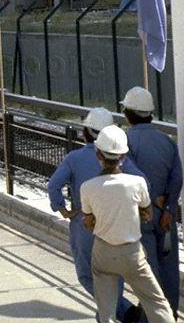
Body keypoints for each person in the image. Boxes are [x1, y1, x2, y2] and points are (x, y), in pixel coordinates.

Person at [48, 108, 145, 322]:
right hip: (114, 228)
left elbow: (54, 185)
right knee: (113, 277)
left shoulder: (74, 158)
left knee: (86, 276)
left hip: (83, 226)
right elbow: (142, 181)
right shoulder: (121, 161)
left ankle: (121, 312)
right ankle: (122, 311)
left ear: (85, 132)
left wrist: (62, 208)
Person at [81, 125, 175, 323]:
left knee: (106, 309)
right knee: (156, 302)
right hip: (132, 254)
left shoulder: (87, 188)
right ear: (124, 156)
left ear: (98, 154)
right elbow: (147, 213)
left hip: (103, 253)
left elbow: (89, 223)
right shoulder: (137, 182)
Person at [120, 87, 182, 317]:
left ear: (128, 113)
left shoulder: (125, 141)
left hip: (141, 215)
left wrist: (153, 200)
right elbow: (177, 177)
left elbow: (134, 176)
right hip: (166, 217)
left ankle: (152, 317)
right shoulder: (166, 141)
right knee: (168, 268)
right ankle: (171, 312)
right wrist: (168, 207)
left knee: (148, 270)